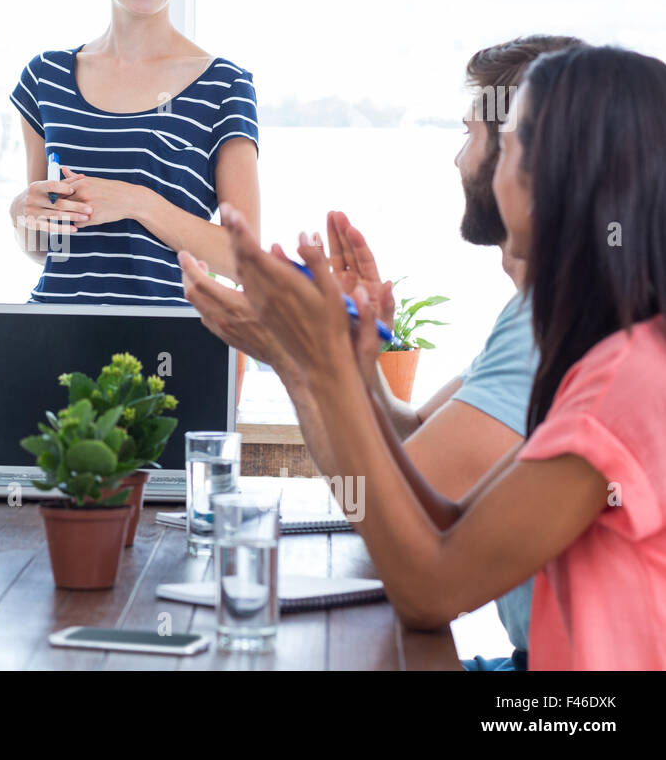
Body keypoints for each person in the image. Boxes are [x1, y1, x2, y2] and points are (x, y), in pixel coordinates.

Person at [208, 44, 666, 670]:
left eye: (512, 144)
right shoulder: (615, 351)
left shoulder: (623, 381)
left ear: (555, 179)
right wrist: (338, 358)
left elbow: (430, 591)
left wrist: (317, 365)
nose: (486, 161)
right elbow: (446, 516)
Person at [7, 0, 260, 304]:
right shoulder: (45, 77)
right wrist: (21, 215)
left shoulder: (223, 86)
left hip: (169, 349)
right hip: (53, 336)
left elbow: (245, 264)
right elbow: (46, 248)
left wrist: (137, 202)